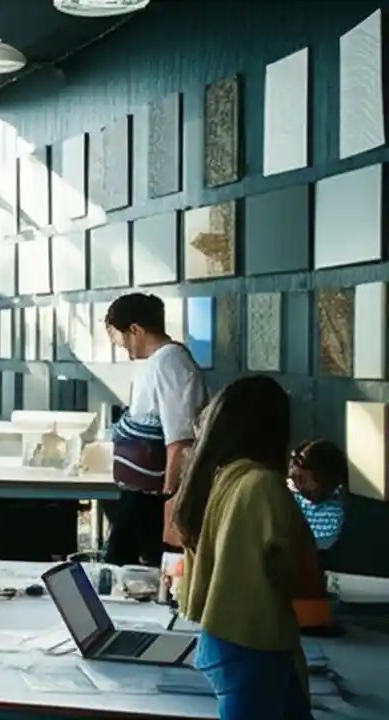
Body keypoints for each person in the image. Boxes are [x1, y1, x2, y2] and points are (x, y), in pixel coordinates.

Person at [173, 376, 323, 720]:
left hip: (223, 640)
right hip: (257, 641)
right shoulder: (264, 485)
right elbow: (302, 577)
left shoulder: (219, 477)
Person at [104, 293, 206, 567]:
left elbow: (180, 441)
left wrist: (171, 500)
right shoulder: (158, 362)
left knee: (132, 568)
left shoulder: (169, 363)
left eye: (121, 337)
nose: (122, 346)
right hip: (140, 493)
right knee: (118, 565)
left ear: (135, 329)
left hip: (152, 499)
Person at [288, 439, 348, 552]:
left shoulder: (333, 510)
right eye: (293, 477)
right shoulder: (284, 494)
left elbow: (322, 543)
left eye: (301, 479)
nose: (295, 483)